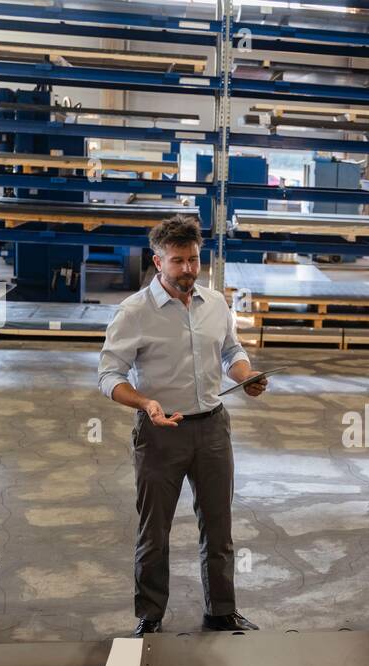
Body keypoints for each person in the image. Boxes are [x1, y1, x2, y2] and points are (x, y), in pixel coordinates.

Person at [98, 215, 264, 635]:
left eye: (193, 260)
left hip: (212, 429)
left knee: (219, 526)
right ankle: (150, 616)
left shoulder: (216, 304)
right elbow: (109, 376)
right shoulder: (134, 312)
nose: (188, 269)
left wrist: (245, 376)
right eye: (177, 261)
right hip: (159, 433)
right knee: (155, 532)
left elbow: (231, 351)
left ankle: (221, 610)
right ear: (158, 262)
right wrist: (145, 403)